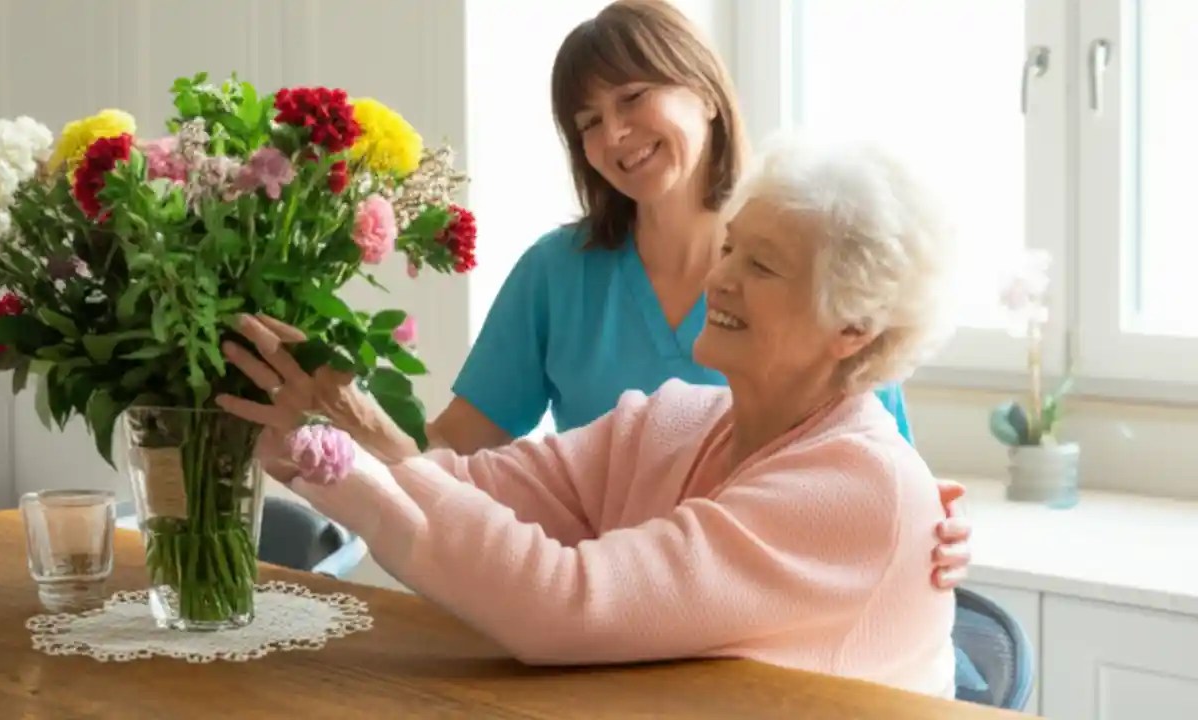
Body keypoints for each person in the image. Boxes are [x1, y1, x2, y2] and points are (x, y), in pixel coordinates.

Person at [217, 132, 961, 697]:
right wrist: (336, 435)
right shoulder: (676, 421)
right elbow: (473, 489)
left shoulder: (854, 484)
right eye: (730, 248)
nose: (721, 277)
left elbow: (564, 605)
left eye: (761, 266)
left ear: (854, 327)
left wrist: (347, 461)